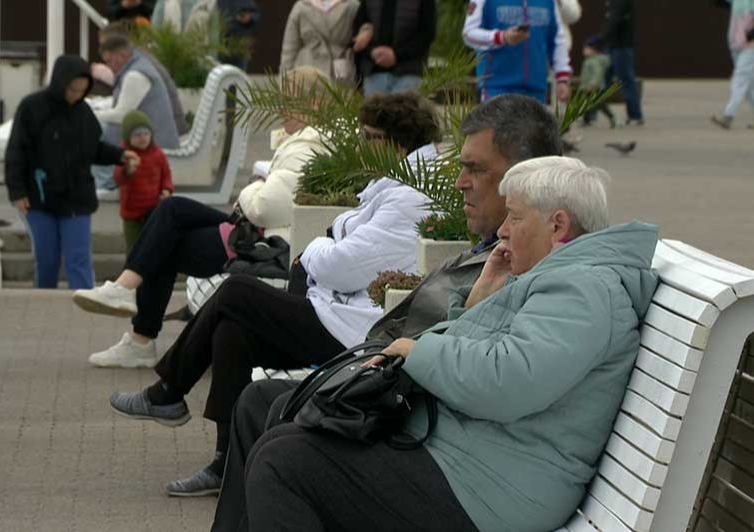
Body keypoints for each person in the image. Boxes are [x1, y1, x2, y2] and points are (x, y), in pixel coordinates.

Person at [240, 156, 660, 532]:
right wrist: (477, 301)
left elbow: (507, 382)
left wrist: (413, 351)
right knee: (282, 422)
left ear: (558, 225)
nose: (502, 230)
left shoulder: (583, 290)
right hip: (473, 458)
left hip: (493, 488)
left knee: (284, 463)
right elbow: (497, 363)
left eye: (514, 217)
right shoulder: (562, 279)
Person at [210, 93, 565, 532]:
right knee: (259, 399)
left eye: (475, 168)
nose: (458, 182)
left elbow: (499, 377)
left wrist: (410, 355)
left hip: (455, 452)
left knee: (282, 452)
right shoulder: (504, 252)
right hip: (412, 401)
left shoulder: (546, 269)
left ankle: (170, 396)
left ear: (523, 176)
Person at [106, 92, 439, 498]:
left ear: (396, 142)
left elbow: (346, 263)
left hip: (354, 330)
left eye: (369, 136)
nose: (360, 144)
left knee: (236, 292)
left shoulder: (410, 196)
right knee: (233, 329)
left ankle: (169, 391)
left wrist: (313, 250)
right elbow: (346, 254)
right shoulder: (396, 184)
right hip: (336, 309)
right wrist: (325, 246)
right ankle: (224, 462)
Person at [72, 66, 330, 364]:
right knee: (171, 211)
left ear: (314, 104)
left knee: (168, 232)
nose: (280, 107)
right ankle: (127, 300)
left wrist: (254, 186)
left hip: (263, 244)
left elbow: (263, 208)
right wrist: (258, 188)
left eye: (289, 98)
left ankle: (136, 325)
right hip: (255, 233)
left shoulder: (307, 147)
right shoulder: (304, 142)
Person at [4, 55, 129, 290]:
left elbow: (94, 148)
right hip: (38, 200)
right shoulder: (32, 107)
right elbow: (16, 151)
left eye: (81, 91)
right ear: (60, 82)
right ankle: (44, 305)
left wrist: (121, 156)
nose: (75, 96)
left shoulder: (83, 113)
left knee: (79, 258)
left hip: (76, 201)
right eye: (72, 89)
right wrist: (17, 191)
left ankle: (85, 309)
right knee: (47, 259)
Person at [91, 34, 181, 198]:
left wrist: (93, 114)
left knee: (95, 128)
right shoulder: (137, 65)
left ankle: (104, 183)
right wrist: (96, 106)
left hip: (154, 140)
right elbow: (122, 105)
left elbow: (122, 115)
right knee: (99, 124)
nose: (108, 66)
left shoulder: (135, 75)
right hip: (149, 133)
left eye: (110, 61)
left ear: (122, 55)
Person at [463, 0, 572, 104]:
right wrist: (501, 37)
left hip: (536, 90)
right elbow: (468, 33)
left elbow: (557, 40)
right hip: (496, 88)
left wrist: (562, 78)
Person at [114, 110, 174, 249]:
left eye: (146, 134)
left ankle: (153, 269)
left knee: (153, 245)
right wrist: (126, 171)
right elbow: (117, 177)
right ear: (128, 137)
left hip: (154, 210)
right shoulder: (125, 154)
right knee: (134, 247)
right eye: (137, 135)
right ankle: (132, 269)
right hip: (132, 214)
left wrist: (167, 189)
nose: (142, 138)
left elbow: (166, 175)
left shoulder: (158, 154)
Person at [352, 0, 437, 96]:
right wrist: (371, 51)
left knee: (404, 110)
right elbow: (357, 29)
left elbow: (427, 34)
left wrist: (396, 55)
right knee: (374, 110)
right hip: (374, 73)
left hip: (408, 73)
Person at [280, 0, 361, 82]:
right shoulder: (300, 7)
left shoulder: (352, 6)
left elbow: (363, 31)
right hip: (307, 69)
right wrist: (285, 82)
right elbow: (289, 49)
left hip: (341, 66)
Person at [596, 0, 643, 125]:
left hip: (621, 46)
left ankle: (635, 115)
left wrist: (599, 40)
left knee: (626, 79)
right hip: (614, 45)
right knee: (600, 79)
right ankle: (590, 115)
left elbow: (614, 21)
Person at [711, 0, 754, 130]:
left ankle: (728, 116)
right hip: (736, 44)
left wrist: (751, 34)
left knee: (739, 79)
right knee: (749, 86)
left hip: (750, 46)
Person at [581, 36, 616, 127]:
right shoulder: (590, 60)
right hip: (588, 86)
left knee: (599, 104)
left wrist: (592, 84)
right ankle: (586, 120)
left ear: (595, 50)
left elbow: (597, 74)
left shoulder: (594, 61)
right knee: (586, 104)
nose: (584, 50)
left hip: (594, 88)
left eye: (587, 48)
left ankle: (611, 117)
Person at [217, 0, 259, 70]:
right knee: (221, 73)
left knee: (238, 74)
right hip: (220, 46)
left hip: (239, 45)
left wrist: (249, 18)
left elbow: (256, 15)